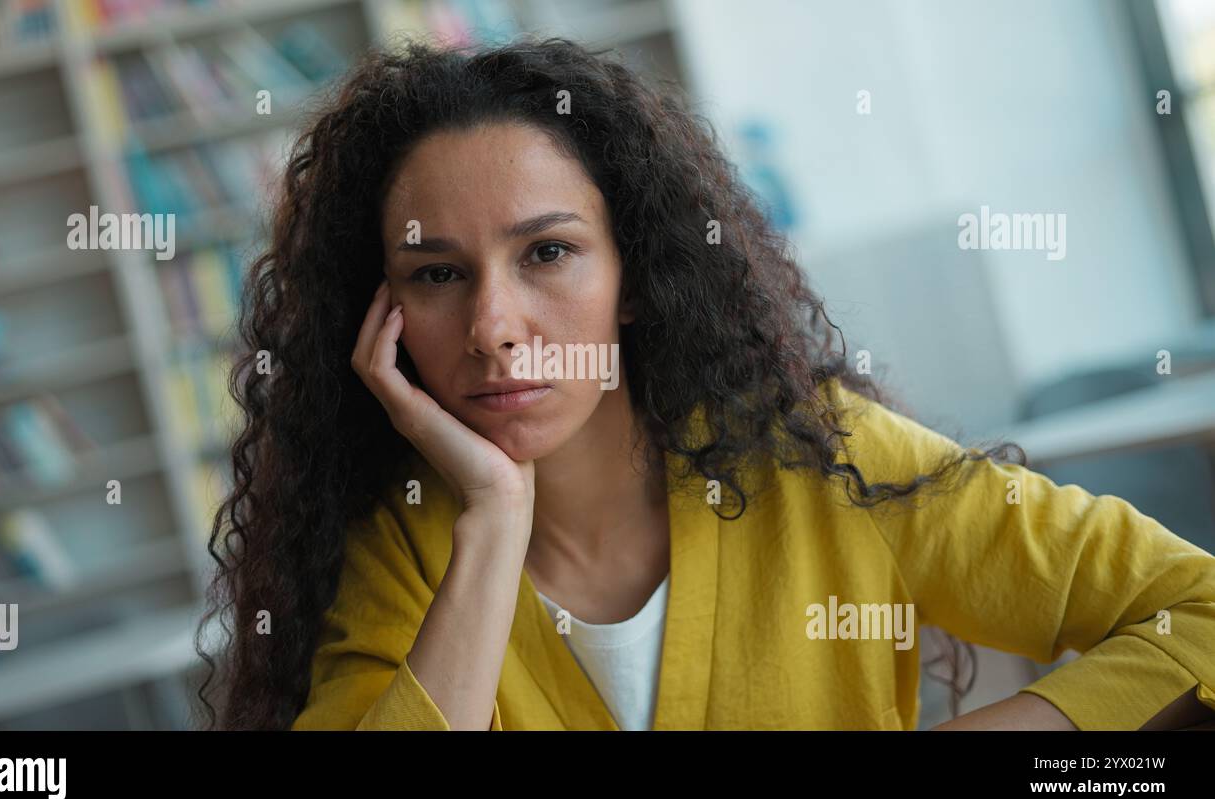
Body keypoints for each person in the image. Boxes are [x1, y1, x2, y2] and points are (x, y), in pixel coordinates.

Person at [196, 37, 1215, 731]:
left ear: (633, 279)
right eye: (437, 274)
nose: (494, 328)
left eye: (546, 253)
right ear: (384, 316)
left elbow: (1195, 610)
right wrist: (494, 518)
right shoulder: (406, 553)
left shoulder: (826, 462)